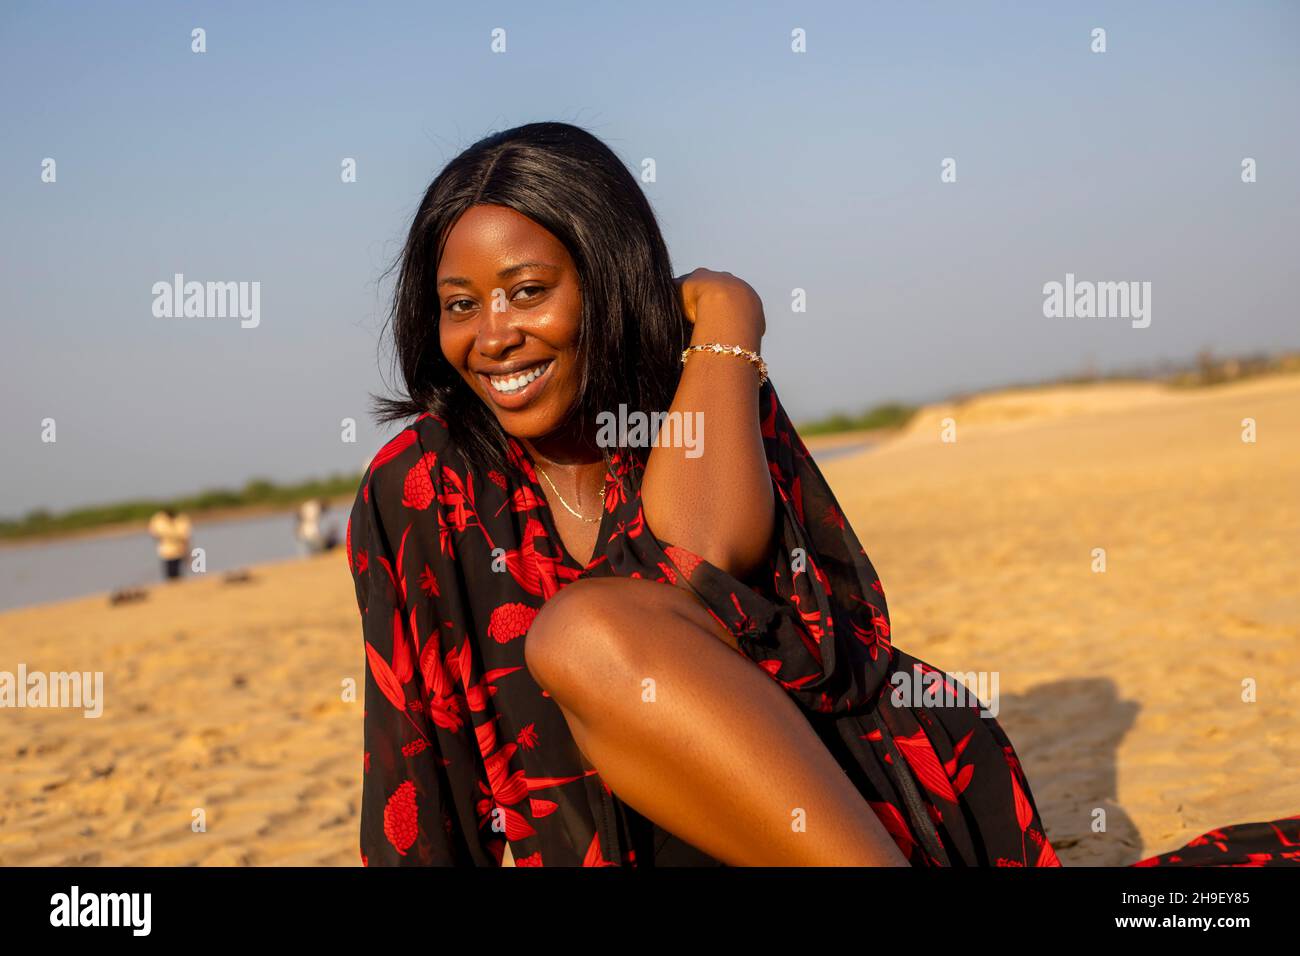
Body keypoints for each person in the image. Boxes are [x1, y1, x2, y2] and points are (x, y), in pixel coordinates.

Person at [346, 122, 1299, 867]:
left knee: (584, 635)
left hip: (850, 820)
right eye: (461, 305)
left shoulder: (700, 391)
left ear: (606, 275)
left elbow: (696, 559)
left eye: (528, 290)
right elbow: (415, 774)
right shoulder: (420, 492)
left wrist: (729, 320)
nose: (494, 334)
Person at [147, 507, 191, 581]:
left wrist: (186, 550)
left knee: (177, 571)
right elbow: (154, 534)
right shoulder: (159, 521)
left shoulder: (181, 520)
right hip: (167, 551)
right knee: (170, 572)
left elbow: (185, 537)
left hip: (178, 550)